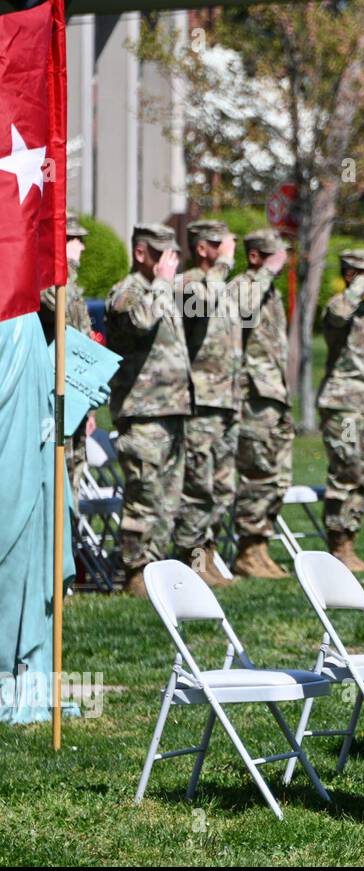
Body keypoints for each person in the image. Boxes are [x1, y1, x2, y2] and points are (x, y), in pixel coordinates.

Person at [104, 223, 189, 598]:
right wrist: (163, 283)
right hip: (142, 412)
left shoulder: (162, 291)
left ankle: (157, 568)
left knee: (168, 498)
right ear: (141, 253)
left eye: (171, 253)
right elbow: (138, 323)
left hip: (170, 408)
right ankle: (135, 573)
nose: (167, 260)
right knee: (144, 494)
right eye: (160, 253)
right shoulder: (128, 292)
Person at [175, 219, 240, 587]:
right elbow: (203, 304)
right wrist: (224, 265)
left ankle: (210, 556)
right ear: (203, 248)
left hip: (225, 400)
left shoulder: (222, 287)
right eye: (222, 244)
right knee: (198, 487)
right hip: (200, 401)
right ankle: (194, 561)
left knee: (221, 487)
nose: (229, 250)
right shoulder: (189, 284)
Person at [317, 248, 364, 572]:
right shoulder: (340, 304)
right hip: (343, 404)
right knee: (345, 472)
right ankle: (337, 546)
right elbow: (336, 317)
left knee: (361, 475)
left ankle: (350, 542)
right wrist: (359, 285)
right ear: (349, 275)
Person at [229, 229, 292, 579]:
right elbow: (241, 309)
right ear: (255, 257)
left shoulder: (270, 291)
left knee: (277, 475)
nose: (281, 261)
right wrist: (266, 273)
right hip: (254, 396)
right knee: (258, 470)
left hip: (275, 394)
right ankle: (248, 551)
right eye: (273, 255)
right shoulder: (243, 286)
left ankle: (261, 546)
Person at [38, 213, 96, 488]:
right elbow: (62, 317)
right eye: (76, 240)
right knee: (57, 480)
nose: (82, 247)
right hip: (54, 399)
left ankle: (69, 530)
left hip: (75, 398)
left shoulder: (69, 284)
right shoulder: (51, 283)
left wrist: (90, 409)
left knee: (73, 474)